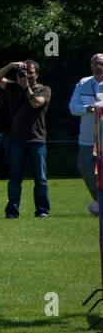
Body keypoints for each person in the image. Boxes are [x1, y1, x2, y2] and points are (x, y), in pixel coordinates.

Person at [0, 58, 51, 218]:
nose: (28, 76)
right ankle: (12, 210)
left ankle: (42, 210)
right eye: (25, 73)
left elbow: (35, 103)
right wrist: (10, 66)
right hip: (16, 140)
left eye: (31, 73)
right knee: (15, 179)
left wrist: (26, 86)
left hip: (36, 140)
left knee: (40, 179)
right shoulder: (13, 88)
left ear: (37, 74)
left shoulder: (44, 89)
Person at [68, 53, 103, 215]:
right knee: (85, 168)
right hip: (88, 139)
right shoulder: (83, 83)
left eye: (101, 63)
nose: (98, 66)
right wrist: (88, 108)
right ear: (90, 66)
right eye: (95, 63)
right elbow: (73, 107)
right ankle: (98, 202)